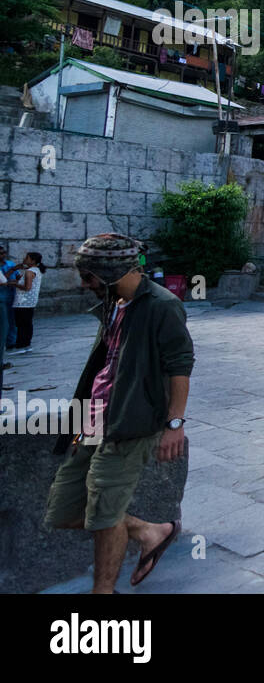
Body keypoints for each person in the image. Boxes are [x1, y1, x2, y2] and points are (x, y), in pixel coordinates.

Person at [43, 234, 193, 593]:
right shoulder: (115, 301)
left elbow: (181, 366)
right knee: (62, 510)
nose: (84, 284)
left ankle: (103, 591)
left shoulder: (162, 306)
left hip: (130, 426)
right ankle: (149, 530)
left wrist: (174, 424)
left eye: (89, 276)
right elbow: (106, 368)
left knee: (105, 514)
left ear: (109, 271)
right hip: (94, 421)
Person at [10, 251, 45, 354]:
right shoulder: (35, 270)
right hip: (29, 301)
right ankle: (26, 344)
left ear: (33, 261)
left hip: (24, 301)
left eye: (27, 258)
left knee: (22, 324)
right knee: (26, 323)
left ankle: (21, 345)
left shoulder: (29, 272)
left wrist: (14, 284)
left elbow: (27, 287)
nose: (24, 259)